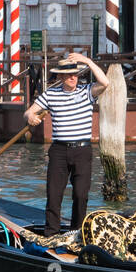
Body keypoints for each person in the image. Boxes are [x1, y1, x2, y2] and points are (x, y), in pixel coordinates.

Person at [25, 52, 110, 236]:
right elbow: (29, 112)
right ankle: (51, 234)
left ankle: (77, 232)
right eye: (68, 74)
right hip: (59, 151)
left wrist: (87, 61)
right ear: (61, 77)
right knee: (54, 194)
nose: (73, 77)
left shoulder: (87, 91)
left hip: (82, 151)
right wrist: (31, 116)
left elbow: (105, 82)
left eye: (75, 74)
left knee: (81, 195)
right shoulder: (51, 95)